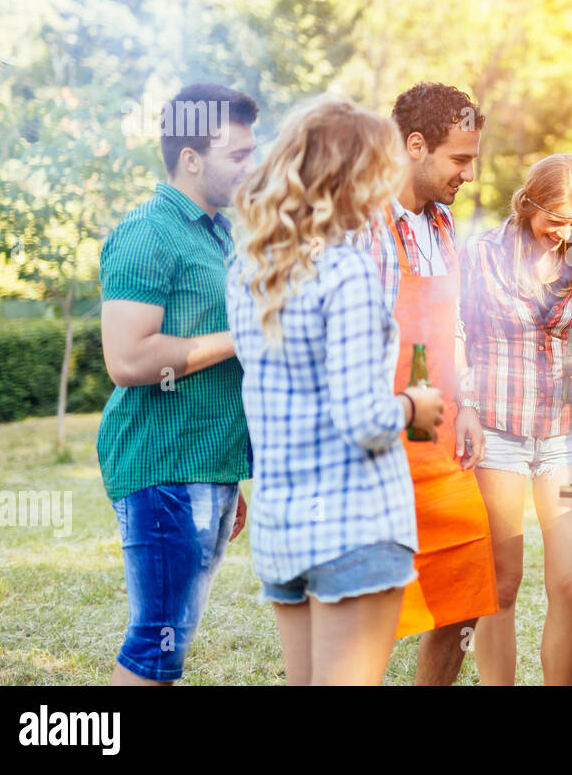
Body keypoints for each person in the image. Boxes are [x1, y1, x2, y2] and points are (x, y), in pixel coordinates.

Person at [226, 97, 443, 685]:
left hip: (283, 530)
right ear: (355, 179)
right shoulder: (345, 273)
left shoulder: (249, 273)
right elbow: (363, 419)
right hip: (354, 527)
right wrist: (413, 405)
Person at [97, 82, 257, 685]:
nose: (251, 167)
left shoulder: (215, 232)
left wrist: (224, 476)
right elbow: (129, 359)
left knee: (172, 637)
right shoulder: (149, 232)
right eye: (237, 156)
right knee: (156, 642)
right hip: (162, 468)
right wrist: (246, 332)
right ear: (191, 158)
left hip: (200, 469)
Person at [353, 81, 498, 685]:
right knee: (370, 605)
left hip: (439, 438)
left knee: (462, 593)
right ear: (415, 145)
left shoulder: (443, 226)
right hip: (380, 439)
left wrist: (463, 402)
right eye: (460, 159)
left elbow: (454, 324)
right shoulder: (362, 222)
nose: (469, 173)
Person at [462, 154, 572, 686]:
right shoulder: (481, 255)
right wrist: (466, 406)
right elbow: (460, 333)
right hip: (499, 428)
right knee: (501, 581)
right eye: (556, 220)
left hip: (568, 431)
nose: (564, 234)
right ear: (528, 204)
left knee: (571, 583)